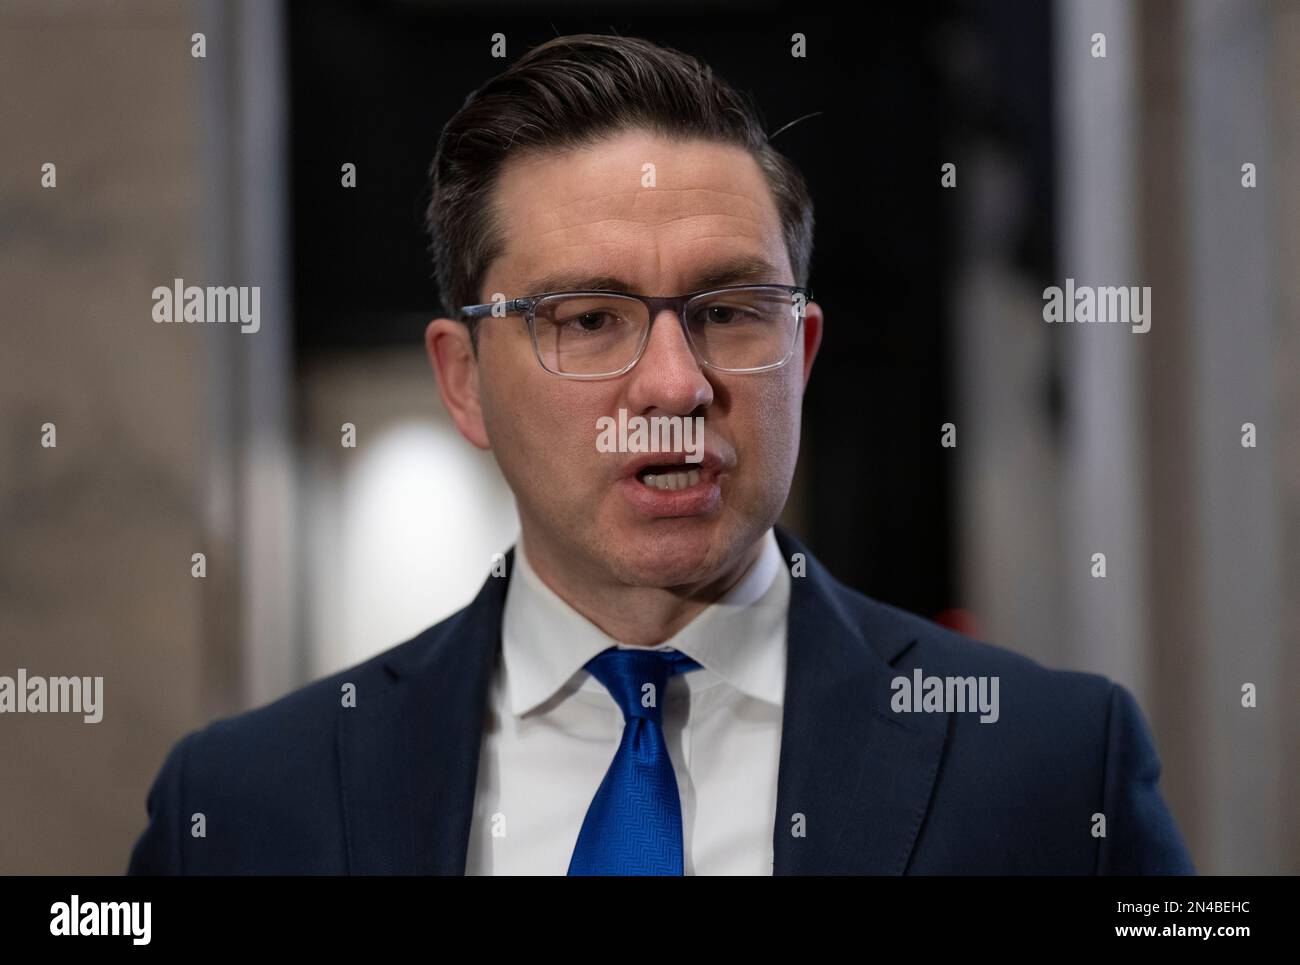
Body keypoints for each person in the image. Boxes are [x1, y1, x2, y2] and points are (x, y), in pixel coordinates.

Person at [127, 33, 1194, 875]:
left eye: (730, 310)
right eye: (589, 319)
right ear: (464, 380)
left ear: (802, 349)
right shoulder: (244, 802)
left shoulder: (1055, 765)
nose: (676, 384)